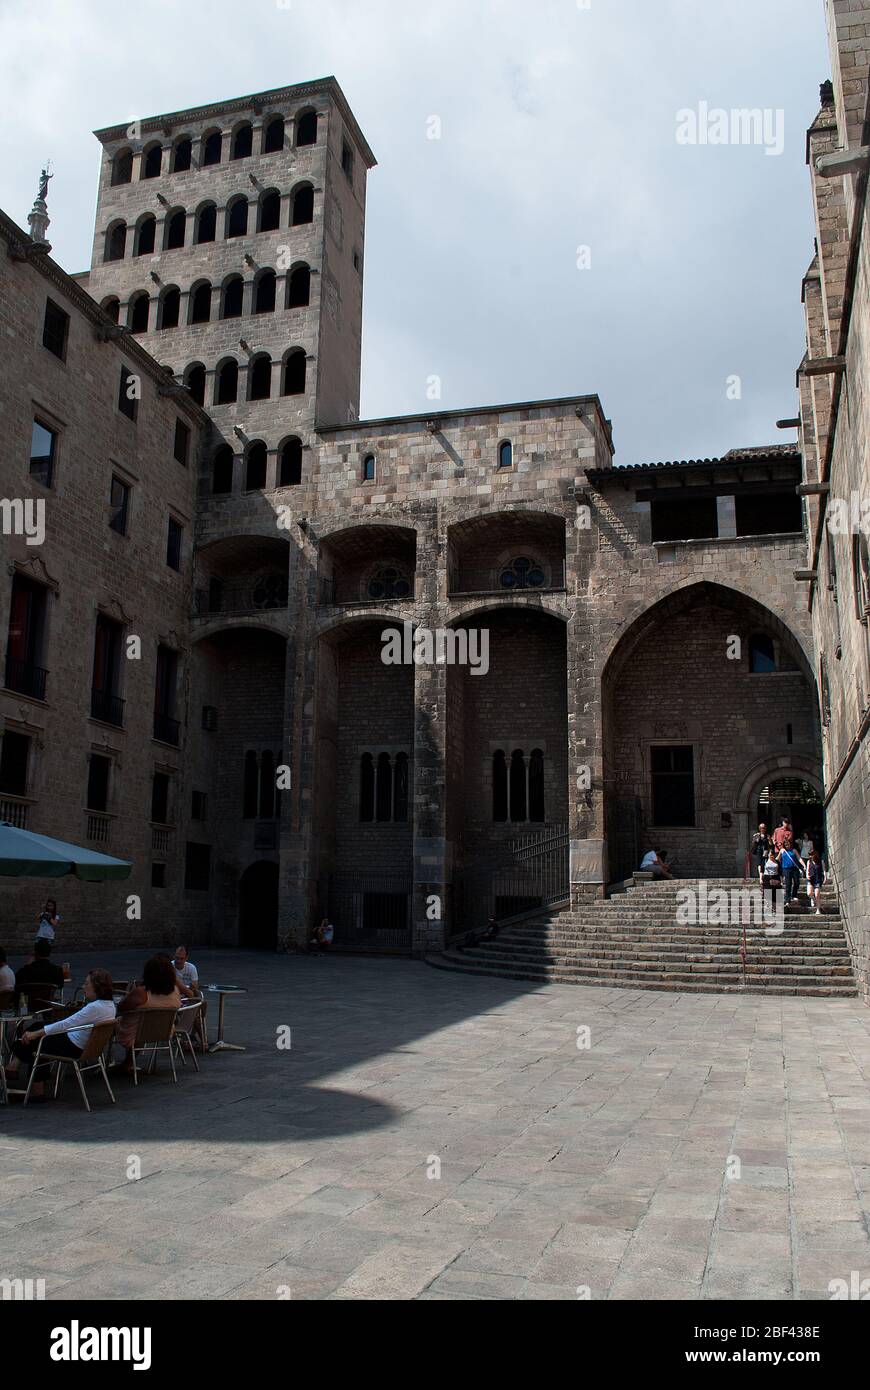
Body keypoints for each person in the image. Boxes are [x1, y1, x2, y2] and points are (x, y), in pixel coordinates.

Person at [6, 968, 115, 1101]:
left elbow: (66, 1024)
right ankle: (14, 1065)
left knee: (40, 1040)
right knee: (38, 1027)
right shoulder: (110, 1006)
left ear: (97, 987)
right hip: (86, 1046)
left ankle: (35, 1089)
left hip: (75, 1047)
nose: (83, 987)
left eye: (86, 984)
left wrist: (36, 1034)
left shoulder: (94, 1007)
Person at [114, 955, 182, 1073]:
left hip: (134, 1034)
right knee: (141, 1025)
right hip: (163, 1032)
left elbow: (121, 1007)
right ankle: (128, 1063)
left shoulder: (141, 993)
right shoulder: (175, 991)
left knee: (108, 1023)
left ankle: (103, 1060)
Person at [14, 939, 65, 1008]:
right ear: (49, 953)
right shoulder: (57, 970)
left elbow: (16, 980)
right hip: (47, 1004)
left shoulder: (27, 970)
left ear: (35, 953)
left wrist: (28, 964)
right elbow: (60, 985)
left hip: (29, 1004)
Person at [779, 842, 805, 906]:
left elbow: (799, 858)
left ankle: (794, 895)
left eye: (788, 844)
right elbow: (778, 859)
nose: (787, 846)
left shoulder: (794, 850)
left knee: (796, 882)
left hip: (795, 868)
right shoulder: (782, 851)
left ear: (790, 844)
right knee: (788, 883)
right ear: (784, 845)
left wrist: (804, 865)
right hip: (786, 869)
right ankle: (787, 899)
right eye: (785, 845)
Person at [806, 850, 825, 914]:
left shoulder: (820, 861)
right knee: (809, 893)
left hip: (818, 879)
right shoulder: (809, 861)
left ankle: (818, 909)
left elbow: (824, 871)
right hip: (810, 879)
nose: (810, 856)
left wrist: (825, 878)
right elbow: (807, 869)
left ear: (815, 854)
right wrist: (807, 876)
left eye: (811, 854)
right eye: (809, 855)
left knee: (817, 894)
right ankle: (813, 900)